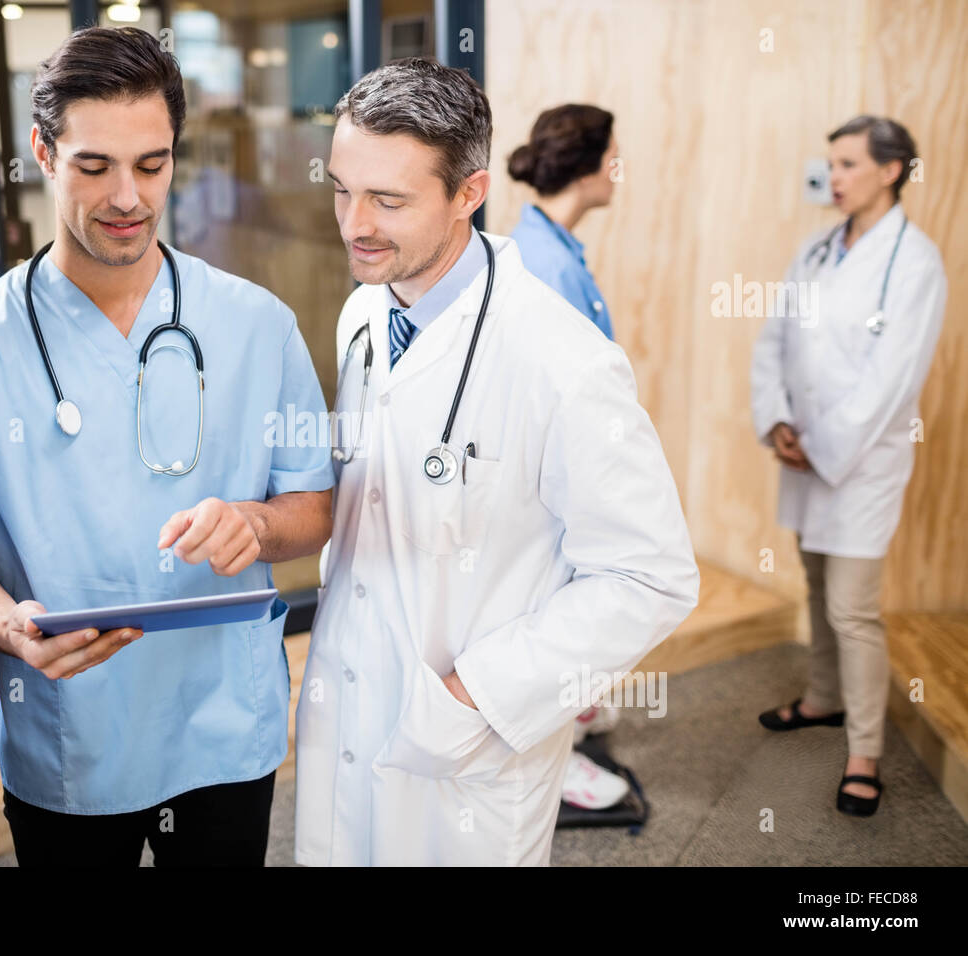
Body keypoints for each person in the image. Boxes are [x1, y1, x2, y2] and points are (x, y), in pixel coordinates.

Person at [0, 27, 333, 867]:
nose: (128, 196)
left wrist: (259, 527)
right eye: (95, 167)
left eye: (153, 164)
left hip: (222, 728)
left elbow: (312, 507)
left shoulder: (256, 325)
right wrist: (10, 629)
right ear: (43, 155)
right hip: (72, 741)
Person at [294, 58, 699, 866]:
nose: (354, 223)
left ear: (469, 194)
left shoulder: (564, 361)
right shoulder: (364, 313)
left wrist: (475, 693)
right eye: (343, 188)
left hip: (469, 754)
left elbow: (651, 577)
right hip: (350, 705)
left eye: (390, 200)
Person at [751, 115, 946, 817]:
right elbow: (773, 338)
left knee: (852, 607)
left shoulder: (916, 262)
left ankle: (864, 753)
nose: (833, 177)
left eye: (848, 164)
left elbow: (890, 382)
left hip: (860, 463)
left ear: (891, 171)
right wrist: (778, 420)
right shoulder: (815, 249)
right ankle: (822, 700)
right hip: (800, 448)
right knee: (812, 578)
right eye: (830, 163)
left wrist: (823, 444)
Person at [508, 104, 617, 340]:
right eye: (613, 160)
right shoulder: (553, 268)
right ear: (586, 170)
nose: (617, 173)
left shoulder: (538, 244)